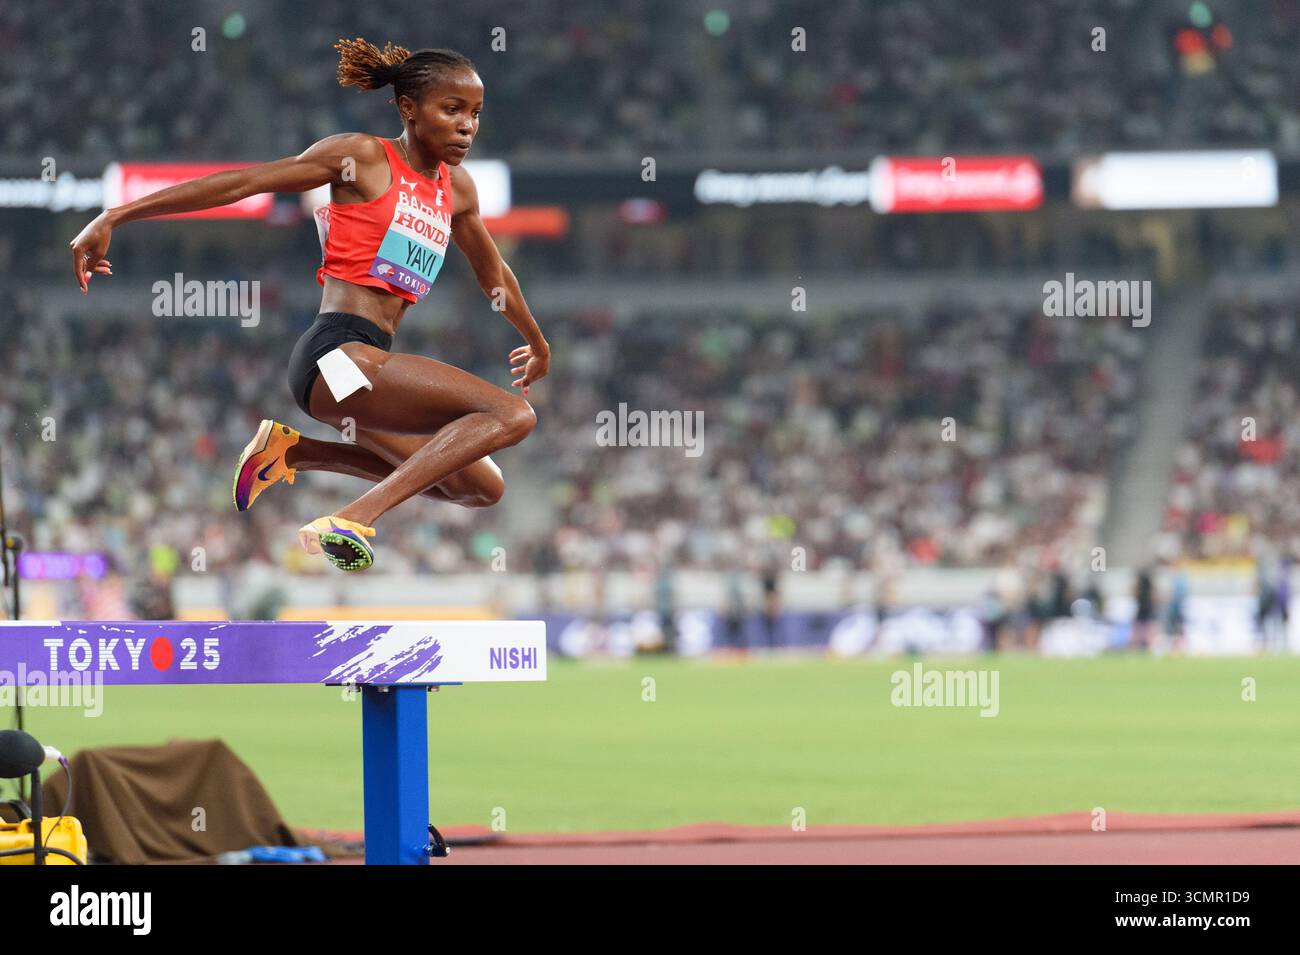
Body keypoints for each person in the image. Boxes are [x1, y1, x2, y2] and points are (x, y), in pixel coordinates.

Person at [68, 39, 549, 572]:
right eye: (452, 109)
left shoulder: (456, 189)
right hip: (336, 354)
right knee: (512, 414)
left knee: (481, 488)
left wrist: (536, 338)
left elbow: (493, 272)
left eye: (475, 114)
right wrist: (117, 214)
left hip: (367, 374)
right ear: (409, 108)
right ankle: (355, 517)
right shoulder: (362, 158)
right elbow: (245, 183)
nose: (466, 126)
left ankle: (295, 451)